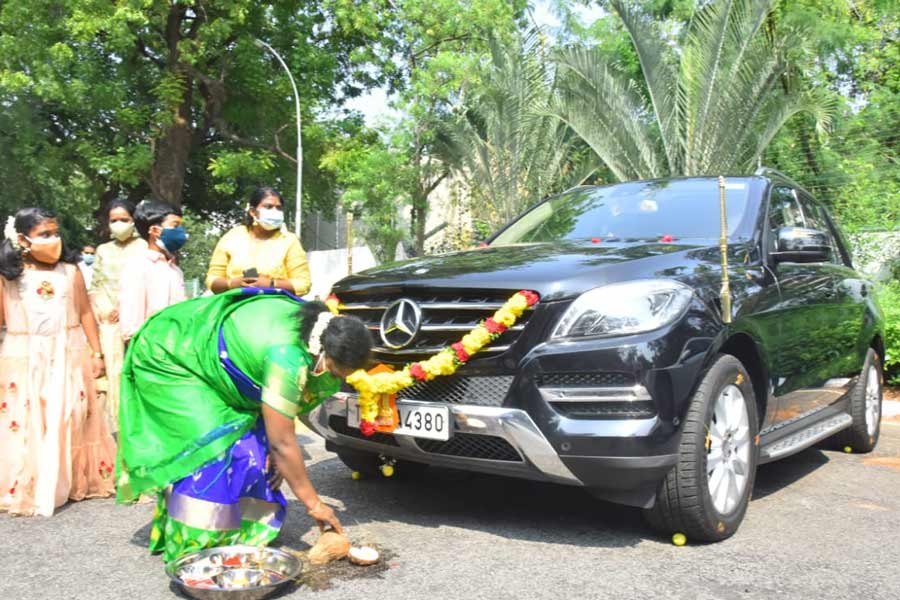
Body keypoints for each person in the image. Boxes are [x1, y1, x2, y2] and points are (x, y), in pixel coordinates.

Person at [116, 289, 371, 562]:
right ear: (322, 352)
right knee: (213, 451)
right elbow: (283, 443)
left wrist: (277, 449)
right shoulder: (286, 355)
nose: (332, 380)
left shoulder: (320, 329)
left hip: (222, 360)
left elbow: (284, 425)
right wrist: (315, 504)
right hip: (174, 356)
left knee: (255, 453)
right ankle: (195, 548)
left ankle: (242, 536)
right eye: (333, 372)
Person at [0, 208, 116, 516]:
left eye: (55, 232)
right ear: (23, 239)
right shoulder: (9, 275)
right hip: (24, 354)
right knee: (28, 420)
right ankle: (29, 483)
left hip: (68, 350)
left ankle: (68, 479)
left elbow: (85, 312)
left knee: (68, 414)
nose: (54, 240)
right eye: (44, 235)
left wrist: (96, 353)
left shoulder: (70, 270)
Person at [89, 200, 148, 432]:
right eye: (114, 220)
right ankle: (117, 423)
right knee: (114, 371)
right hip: (109, 321)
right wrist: (105, 308)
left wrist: (126, 308)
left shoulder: (144, 247)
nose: (119, 224)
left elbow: (144, 283)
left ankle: (140, 420)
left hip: (138, 318)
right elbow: (95, 286)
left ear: (133, 220)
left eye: (124, 219)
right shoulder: (103, 250)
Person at [205, 187, 311, 295]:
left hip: (276, 303)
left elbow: (303, 283)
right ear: (253, 212)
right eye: (268, 207)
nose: (275, 211)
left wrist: (271, 284)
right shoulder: (233, 237)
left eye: (278, 208)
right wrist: (232, 283)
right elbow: (212, 279)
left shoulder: (289, 240)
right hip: (234, 301)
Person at [118, 200, 186, 343]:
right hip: (150, 350)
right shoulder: (137, 267)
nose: (181, 232)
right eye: (175, 225)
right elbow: (131, 325)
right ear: (155, 231)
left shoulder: (175, 270)